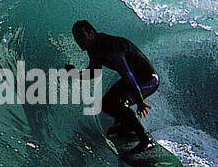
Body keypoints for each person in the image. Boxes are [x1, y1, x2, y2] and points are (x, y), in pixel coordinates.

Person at [65, 19, 160, 150]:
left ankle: (146, 140)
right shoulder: (93, 48)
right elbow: (94, 72)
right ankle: (127, 127)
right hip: (133, 79)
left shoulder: (111, 46)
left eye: (82, 36)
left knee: (120, 103)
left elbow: (127, 75)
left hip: (147, 80)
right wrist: (77, 75)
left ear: (91, 33)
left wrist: (139, 101)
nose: (79, 41)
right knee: (105, 104)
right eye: (77, 38)